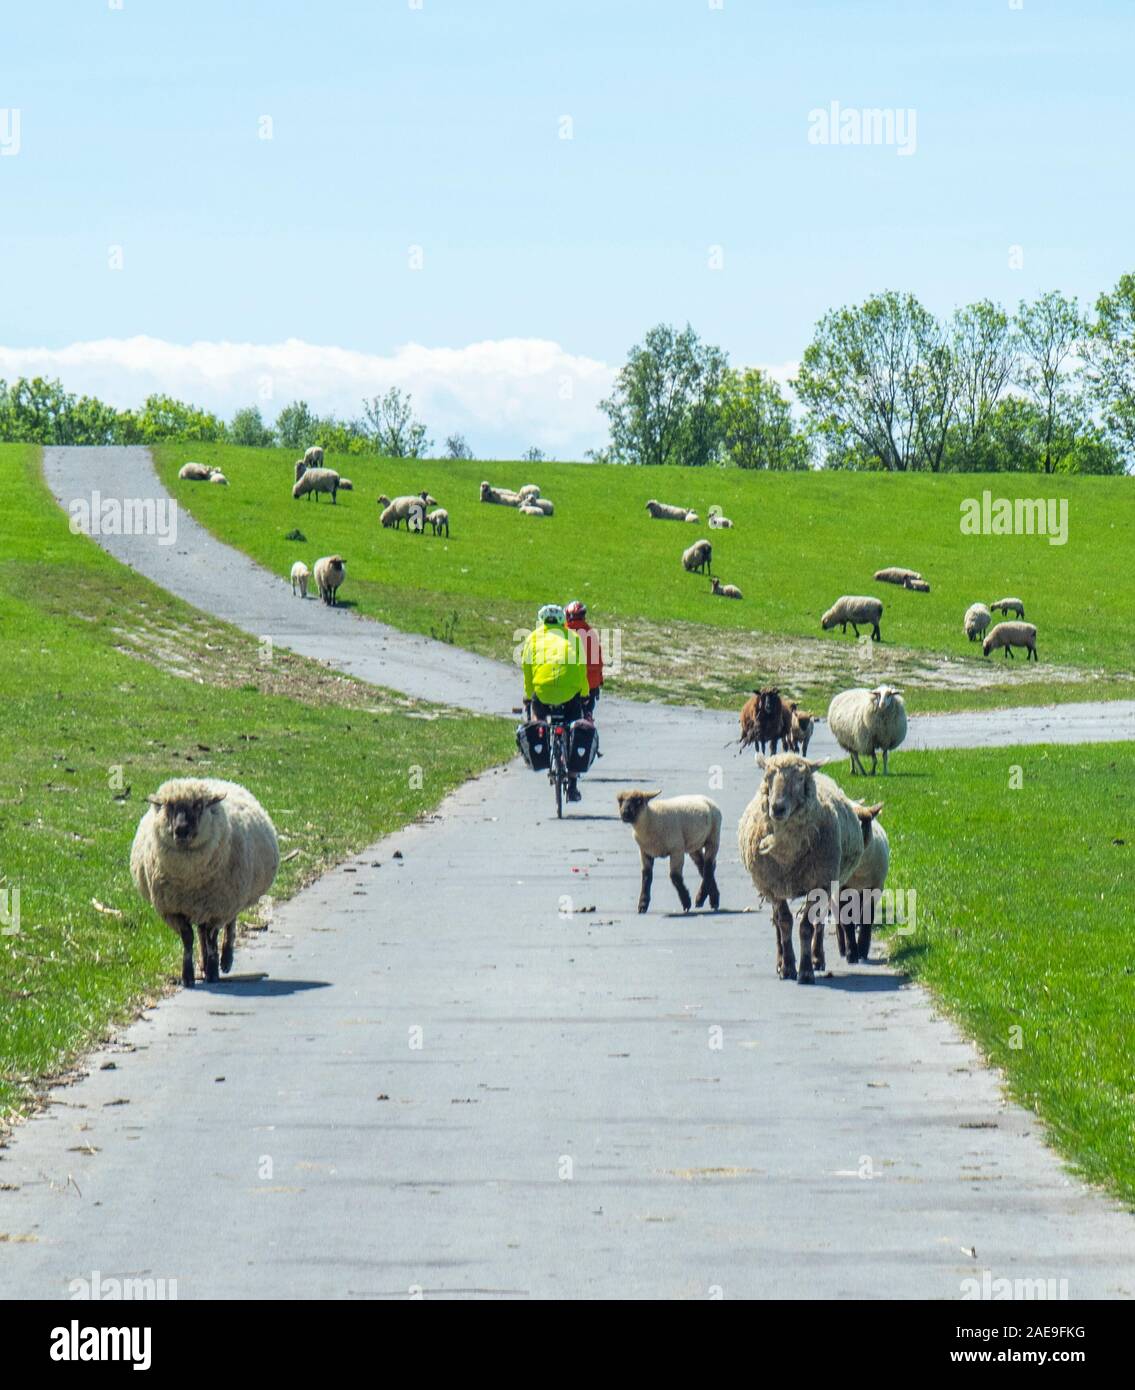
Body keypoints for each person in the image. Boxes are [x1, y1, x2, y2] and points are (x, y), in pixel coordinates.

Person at [521, 603, 590, 802]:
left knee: (538, 715)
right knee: (573, 725)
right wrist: (584, 692)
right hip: (569, 694)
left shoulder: (532, 638)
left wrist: (528, 694)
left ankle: (539, 732)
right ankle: (573, 785)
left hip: (543, 691)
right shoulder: (573, 638)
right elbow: (581, 668)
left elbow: (528, 670)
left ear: (541, 621)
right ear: (562, 621)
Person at [564, 600, 603, 718]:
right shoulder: (590, 633)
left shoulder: (562, 633)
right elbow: (599, 663)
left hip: (569, 684)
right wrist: (599, 681)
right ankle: (588, 718)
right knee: (587, 713)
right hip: (590, 684)